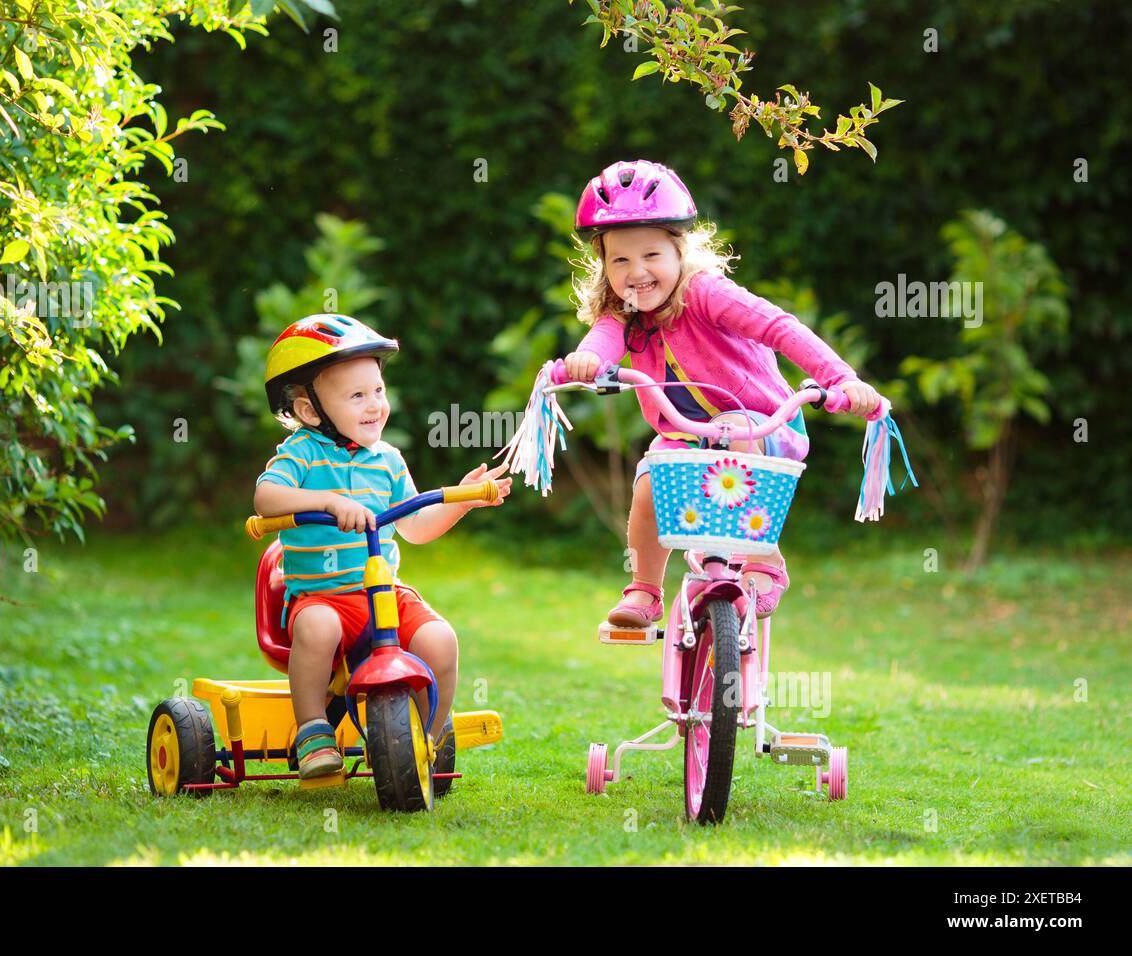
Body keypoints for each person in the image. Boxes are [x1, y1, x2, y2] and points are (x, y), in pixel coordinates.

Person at [561, 160, 881, 627]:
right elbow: (602, 343)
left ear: (679, 251)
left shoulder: (706, 293)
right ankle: (644, 590)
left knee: (735, 432)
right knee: (652, 470)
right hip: (689, 437)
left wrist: (841, 378)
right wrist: (586, 360)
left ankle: (762, 557)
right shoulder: (623, 312)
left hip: (764, 426)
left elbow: (780, 329)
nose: (637, 272)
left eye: (651, 255)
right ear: (604, 266)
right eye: (620, 260)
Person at [254, 314, 511, 778]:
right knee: (316, 629)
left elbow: (415, 526)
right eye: (357, 396)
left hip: (382, 595)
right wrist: (329, 502)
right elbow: (265, 497)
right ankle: (313, 729)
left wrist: (462, 500)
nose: (375, 405)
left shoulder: (387, 460)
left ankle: (426, 738)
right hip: (323, 596)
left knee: (440, 638)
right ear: (311, 411)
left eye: (378, 391)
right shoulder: (300, 454)